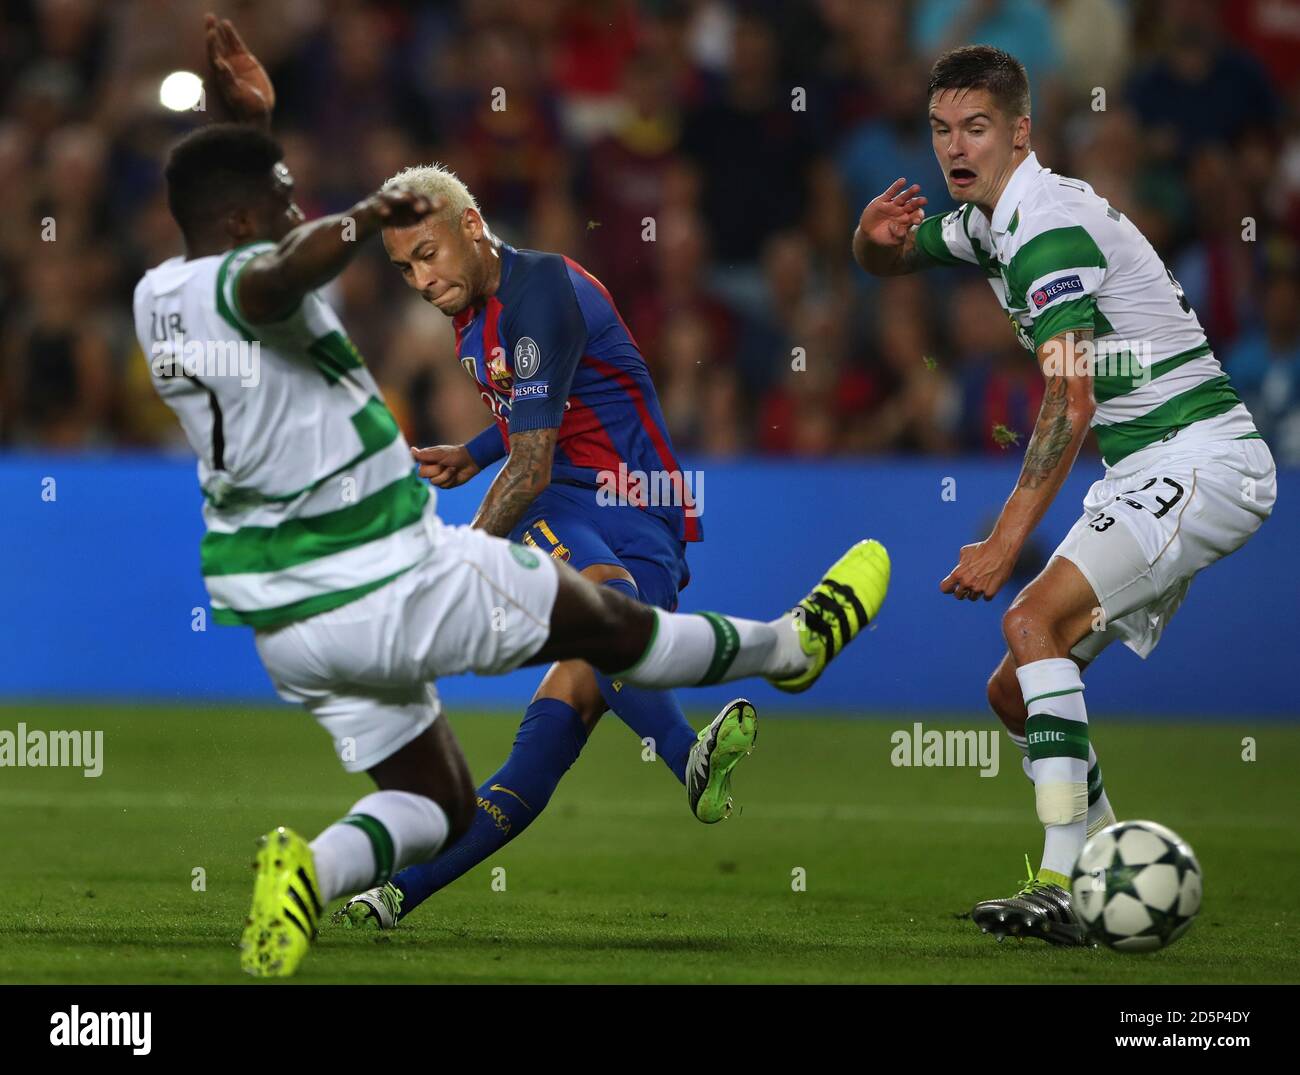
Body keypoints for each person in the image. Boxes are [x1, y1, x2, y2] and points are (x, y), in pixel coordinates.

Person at [133, 16, 889, 977]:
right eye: (404, 271)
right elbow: (530, 430)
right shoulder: (474, 315)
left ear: (473, 226)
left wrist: (459, 532)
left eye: (429, 256)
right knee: (575, 683)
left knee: (581, 670)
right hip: (567, 500)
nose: (421, 279)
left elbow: (532, 461)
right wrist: (478, 446)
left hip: (617, 494)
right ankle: (743, 692)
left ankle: (667, 753)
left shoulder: (536, 293)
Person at [852, 45, 1275, 945]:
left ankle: (1056, 881)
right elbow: (892, 257)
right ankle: (1112, 871)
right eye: (940, 131)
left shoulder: (1043, 226)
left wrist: (1008, 538)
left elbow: (1071, 397)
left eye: (975, 129)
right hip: (1155, 467)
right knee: (1016, 693)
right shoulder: (987, 222)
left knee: (1027, 620)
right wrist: (867, 236)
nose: (954, 148)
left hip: (1201, 457)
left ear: (1020, 132)